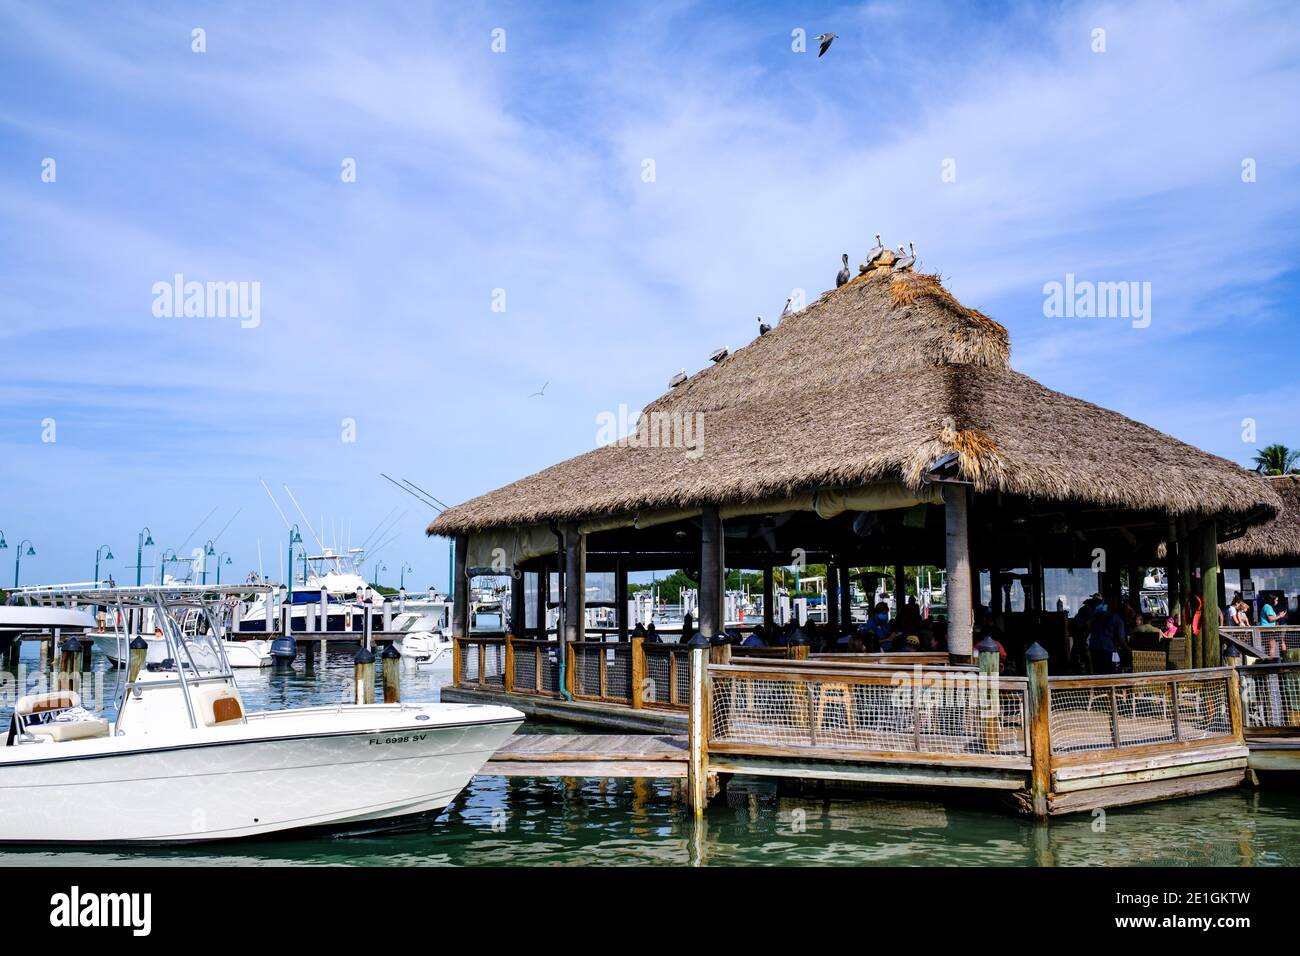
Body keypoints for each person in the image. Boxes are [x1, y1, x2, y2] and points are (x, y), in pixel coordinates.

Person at [1087, 601, 1125, 675]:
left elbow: (1088, 624)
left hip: (1094, 647)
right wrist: (1129, 650)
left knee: (1097, 672)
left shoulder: (1100, 614)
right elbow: (1121, 639)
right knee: (1109, 674)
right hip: (1107, 649)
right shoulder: (1118, 619)